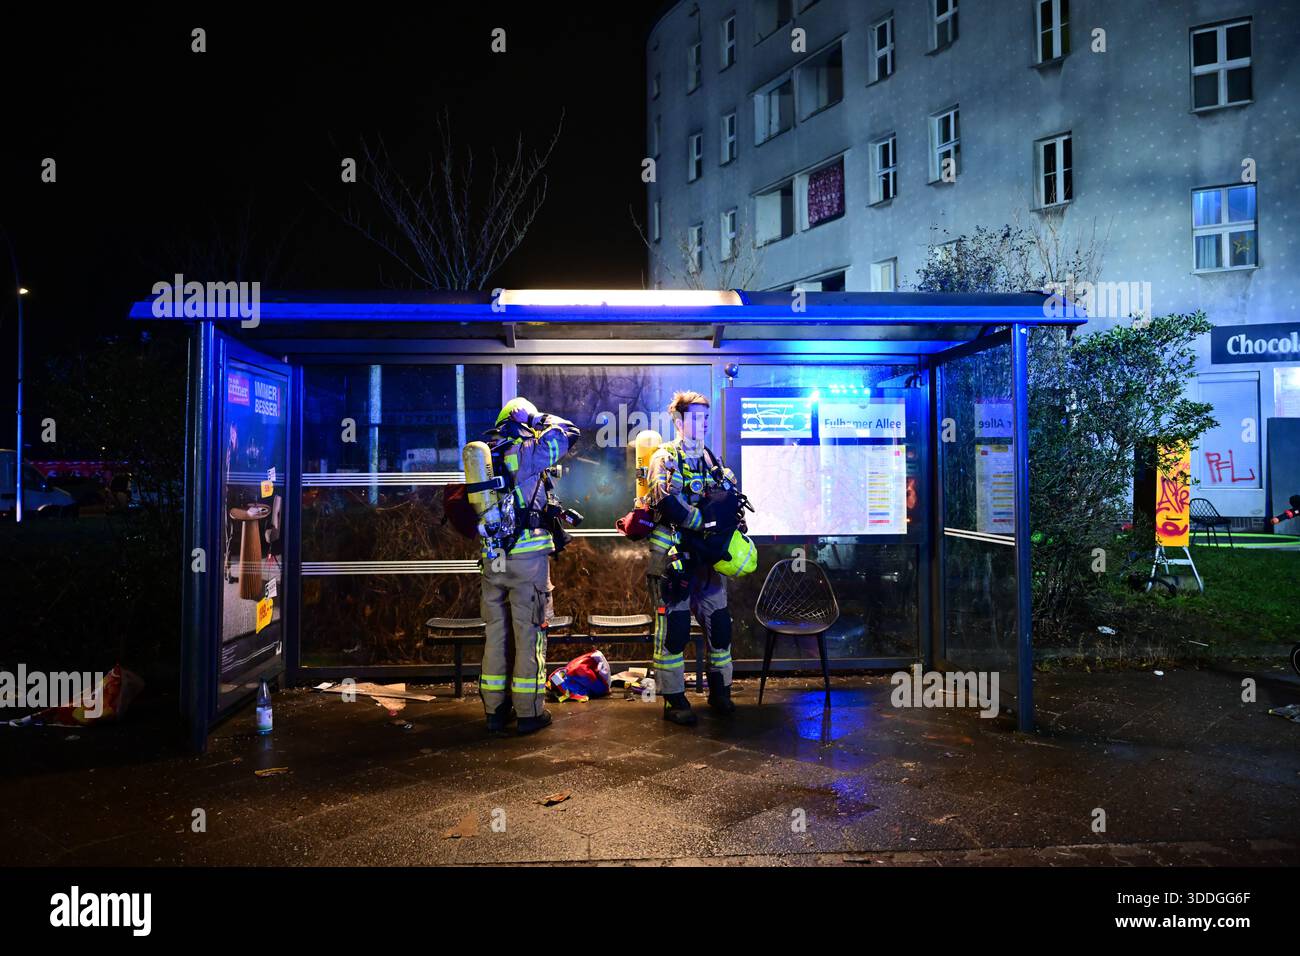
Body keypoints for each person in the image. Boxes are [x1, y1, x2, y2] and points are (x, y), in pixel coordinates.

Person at [477, 398, 580, 736]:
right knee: (530, 634)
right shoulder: (526, 451)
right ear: (522, 422)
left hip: (494, 560)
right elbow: (570, 432)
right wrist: (540, 416)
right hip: (526, 562)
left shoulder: (486, 455)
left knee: (496, 635)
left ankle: (494, 711)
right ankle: (529, 712)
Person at [644, 391, 738, 726]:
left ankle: (721, 690)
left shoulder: (712, 459)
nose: (702, 423)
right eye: (695, 417)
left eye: (706, 417)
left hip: (707, 559)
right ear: (679, 421)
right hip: (673, 558)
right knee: (675, 629)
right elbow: (665, 500)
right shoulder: (664, 457)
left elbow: (727, 499)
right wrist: (703, 522)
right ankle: (673, 698)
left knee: (721, 624)